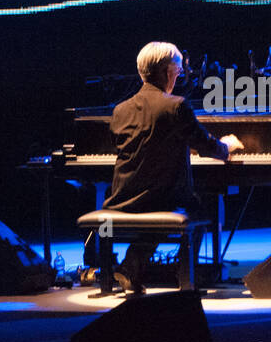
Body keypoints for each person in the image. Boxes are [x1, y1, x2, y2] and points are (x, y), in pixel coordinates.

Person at [98, 42, 243, 293]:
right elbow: (207, 146)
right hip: (156, 201)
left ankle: (127, 268)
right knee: (198, 206)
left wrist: (178, 145)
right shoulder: (176, 105)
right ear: (167, 71)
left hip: (119, 199)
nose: (178, 76)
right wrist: (227, 147)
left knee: (161, 205)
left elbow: (134, 144)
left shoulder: (120, 110)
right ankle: (186, 277)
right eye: (177, 71)